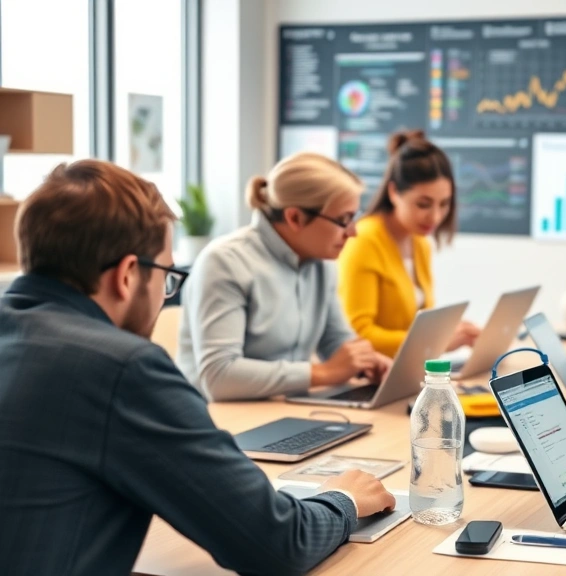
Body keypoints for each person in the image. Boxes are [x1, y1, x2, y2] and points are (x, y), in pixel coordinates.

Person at [0, 160, 396, 575]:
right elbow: (280, 543)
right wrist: (343, 498)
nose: (164, 294)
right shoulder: (122, 368)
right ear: (127, 275)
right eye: (167, 276)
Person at [178, 152, 391, 401]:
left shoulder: (321, 263)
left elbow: (336, 341)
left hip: (284, 411)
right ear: (295, 218)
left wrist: (367, 361)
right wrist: (322, 373)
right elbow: (219, 376)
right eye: (344, 220)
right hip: (219, 420)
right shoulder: (225, 262)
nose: (353, 232)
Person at [338, 130, 479, 358]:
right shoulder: (363, 240)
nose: (434, 217)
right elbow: (359, 335)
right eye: (423, 204)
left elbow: (421, 324)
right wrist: (436, 340)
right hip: (372, 377)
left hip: (407, 372)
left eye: (444, 204)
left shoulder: (419, 242)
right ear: (394, 192)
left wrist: (447, 332)